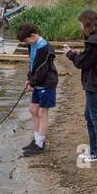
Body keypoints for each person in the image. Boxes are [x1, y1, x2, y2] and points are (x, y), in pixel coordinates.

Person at [66, 10, 97, 162]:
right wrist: (81, 52)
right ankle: (95, 150)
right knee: (90, 115)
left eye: (81, 23)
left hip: (94, 81)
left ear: (86, 23)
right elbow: (92, 57)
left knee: (95, 116)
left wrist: (70, 54)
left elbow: (83, 62)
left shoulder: (94, 40)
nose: (80, 26)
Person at [17, 22, 58, 156]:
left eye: (26, 40)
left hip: (47, 83)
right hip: (38, 82)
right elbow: (32, 65)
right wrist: (29, 79)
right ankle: (36, 140)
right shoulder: (32, 45)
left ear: (33, 35)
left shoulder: (45, 47)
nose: (26, 43)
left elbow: (42, 70)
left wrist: (32, 83)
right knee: (33, 109)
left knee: (42, 112)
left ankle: (40, 144)